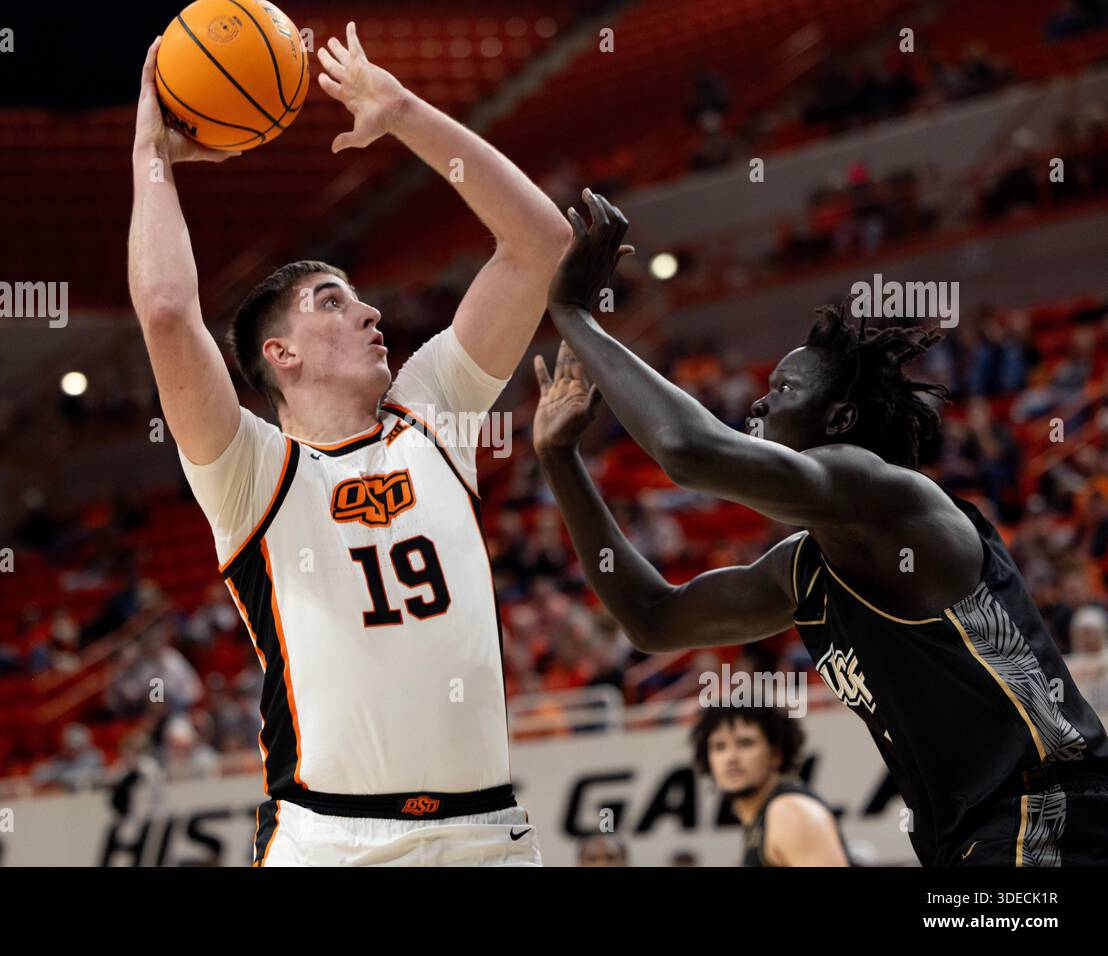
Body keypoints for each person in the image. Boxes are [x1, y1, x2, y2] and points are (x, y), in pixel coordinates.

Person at [532, 190, 1108, 867]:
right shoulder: (803, 568)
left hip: (1052, 812)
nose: (757, 399)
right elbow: (653, 619)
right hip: (971, 839)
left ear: (837, 423)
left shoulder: (887, 495)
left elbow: (689, 451)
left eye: (783, 391)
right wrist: (558, 458)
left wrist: (574, 314)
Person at [127, 23, 571, 867]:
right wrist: (152, 149)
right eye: (332, 302)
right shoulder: (250, 472)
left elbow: (540, 246)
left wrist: (402, 112)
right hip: (329, 839)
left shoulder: (432, 411)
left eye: (358, 298)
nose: (369, 313)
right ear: (279, 355)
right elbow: (165, 311)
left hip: (489, 837)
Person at [691, 706, 848, 866]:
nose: (731, 757)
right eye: (719, 747)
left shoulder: (789, 813)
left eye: (745, 743)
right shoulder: (761, 817)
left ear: (775, 754)